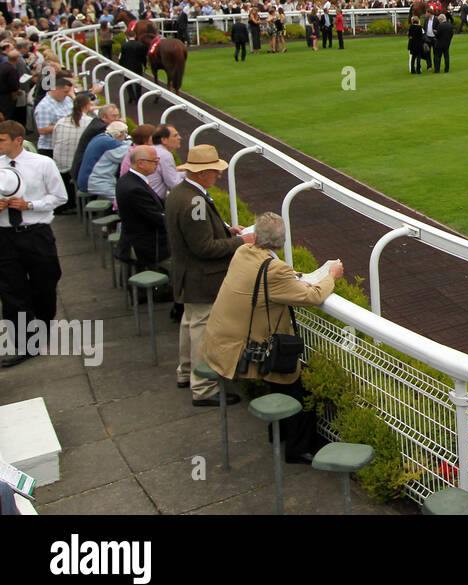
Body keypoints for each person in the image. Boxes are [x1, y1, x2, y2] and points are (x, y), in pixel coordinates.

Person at [200, 213, 341, 463]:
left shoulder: (243, 252)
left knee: (283, 375)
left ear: (255, 236)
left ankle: (279, 433)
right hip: (243, 352)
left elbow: (273, 279)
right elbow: (313, 297)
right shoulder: (275, 270)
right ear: (281, 242)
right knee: (301, 385)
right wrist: (331, 276)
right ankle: (298, 448)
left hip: (220, 343)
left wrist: (294, 279)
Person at [164, 144, 255, 405]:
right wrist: (240, 241)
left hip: (188, 273)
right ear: (202, 173)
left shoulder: (180, 192)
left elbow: (198, 236)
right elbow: (204, 247)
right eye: (215, 171)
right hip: (202, 277)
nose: (218, 175)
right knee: (202, 331)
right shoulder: (194, 200)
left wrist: (226, 231)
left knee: (190, 323)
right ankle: (203, 388)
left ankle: (185, 373)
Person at [0, 120, 68, 367]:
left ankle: (41, 328)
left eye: (1, 140)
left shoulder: (42, 164)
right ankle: (26, 344)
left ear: (18, 140)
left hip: (36, 233)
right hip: (5, 236)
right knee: (11, 291)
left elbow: (60, 197)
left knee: (45, 285)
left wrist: (30, 205)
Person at [115, 144, 168, 268]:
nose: (157, 164)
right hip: (146, 247)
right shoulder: (135, 189)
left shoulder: (129, 179)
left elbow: (157, 204)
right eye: (154, 161)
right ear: (140, 163)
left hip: (140, 238)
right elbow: (158, 219)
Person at [70, 104, 119, 184]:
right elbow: (117, 148)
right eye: (114, 116)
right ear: (103, 117)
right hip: (85, 174)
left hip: (84, 169)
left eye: (117, 116)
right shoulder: (101, 129)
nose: (117, 119)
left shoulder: (97, 123)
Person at [85, 120, 130, 198]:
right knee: (123, 198)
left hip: (91, 180)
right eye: (124, 134)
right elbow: (127, 155)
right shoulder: (109, 143)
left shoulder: (101, 137)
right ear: (120, 134)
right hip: (97, 182)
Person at [33, 77, 74, 157]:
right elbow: (42, 130)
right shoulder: (44, 106)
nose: (67, 94)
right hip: (50, 148)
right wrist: (66, 124)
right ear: (55, 89)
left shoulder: (67, 100)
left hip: (66, 145)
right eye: (65, 92)